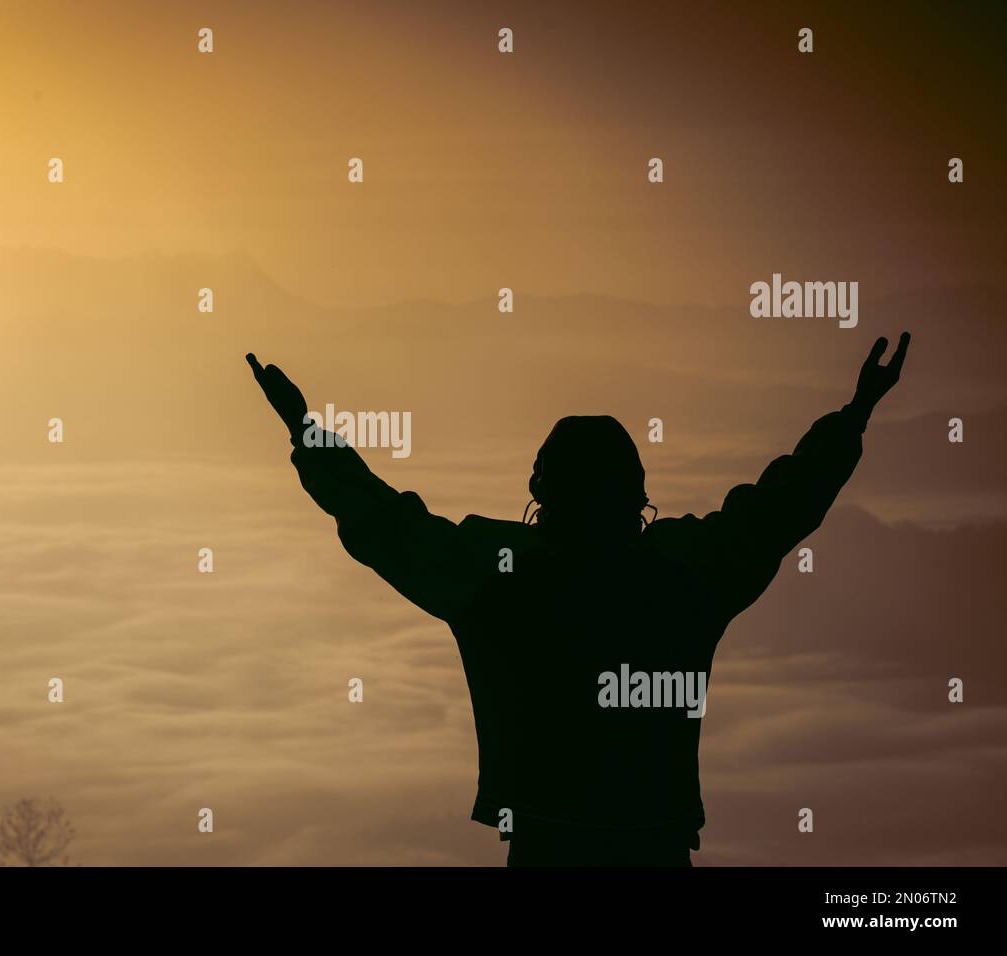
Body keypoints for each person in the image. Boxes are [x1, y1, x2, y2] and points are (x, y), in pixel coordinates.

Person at [246, 332, 910, 866]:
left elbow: (382, 523)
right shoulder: (686, 574)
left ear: (543, 493)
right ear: (634, 494)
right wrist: (854, 415)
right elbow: (780, 508)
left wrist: (305, 429)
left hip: (545, 845)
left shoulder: (492, 579)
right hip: (656, 845)